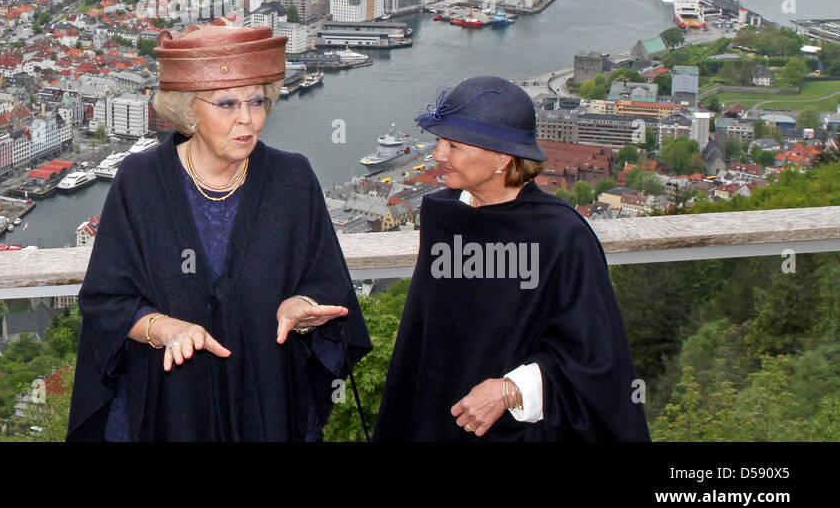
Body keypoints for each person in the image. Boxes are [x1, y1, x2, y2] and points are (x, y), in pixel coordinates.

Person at [68, 22, 372, 441]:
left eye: (257, 101)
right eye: (227, 104)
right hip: (169, 407)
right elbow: (106, 301)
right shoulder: (140, 181)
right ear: (189, 110)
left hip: (267, 401)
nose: (247, 119)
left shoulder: (292, 178)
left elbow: (327, 285)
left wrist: (302, 310)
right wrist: (164, 328)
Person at [373, 76, 650, 442]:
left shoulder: (561, 236)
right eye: (440, 141)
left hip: (515, 431)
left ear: (502, 157)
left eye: (454, 144)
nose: (439, 155)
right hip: (436, 421)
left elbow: (595, 357)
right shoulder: (444, 214)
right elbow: (424, 338)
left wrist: (511, 389)